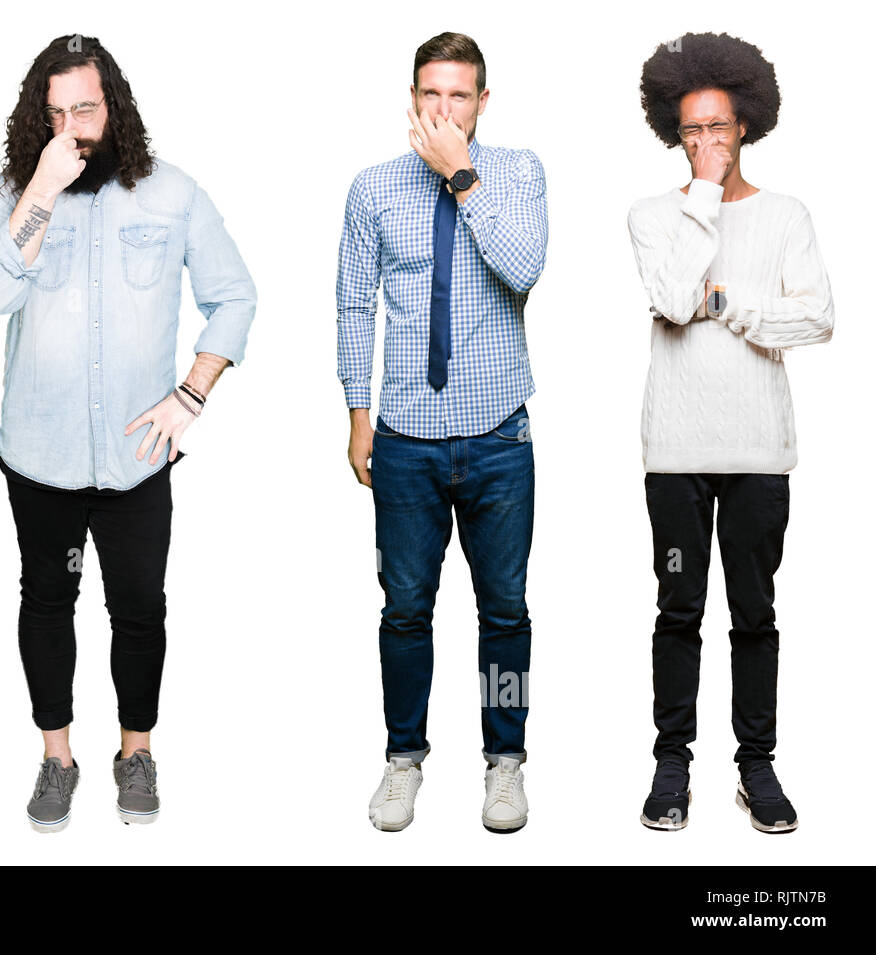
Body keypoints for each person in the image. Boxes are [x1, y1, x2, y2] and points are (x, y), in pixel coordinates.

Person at [0, 34, 256, 832]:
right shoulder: (14, 192)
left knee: (139, 607)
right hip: (40, 454)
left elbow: (235, 297)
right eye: (55, 114)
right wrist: (41, 196)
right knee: (47, 601)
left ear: (113, 105)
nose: (71, 129)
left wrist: (190, 395)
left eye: (85, 109)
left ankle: (137, 751)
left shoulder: (172, 194)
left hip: (137, 460)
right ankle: (57, 758)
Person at [337, 31, 547, 833]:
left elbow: (523, 268)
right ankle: (403, 759)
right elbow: (355, 305)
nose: (444, 107)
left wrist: (461, 176)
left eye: (459, 95)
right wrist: (358, 412)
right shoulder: (373, 189)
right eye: (432, 93)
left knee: (505, 611)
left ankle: (505, 762)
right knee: (404, 608)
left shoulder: (518, 174)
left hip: (499, 438)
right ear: (412, 97)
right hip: (405, 442)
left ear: (482, 103)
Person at [628, 32, 833, 834]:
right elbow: (676, 298)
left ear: (744, 123)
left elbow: (817, 317)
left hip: (758, 454)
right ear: (675, 136)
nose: (706, 143)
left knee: (755, 610)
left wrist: (735, 306)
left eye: (718, 127)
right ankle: (671, 762)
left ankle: (757, 764)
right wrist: (703, 198)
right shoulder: (653, 217)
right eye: (691, 132)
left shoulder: (787, 216)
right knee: (678, 608)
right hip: (676, 454)